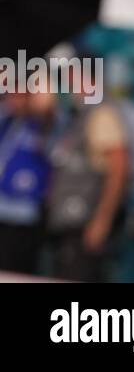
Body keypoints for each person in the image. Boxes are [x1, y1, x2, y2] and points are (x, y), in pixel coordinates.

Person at [44, 63, 131, 282]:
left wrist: (103, 219)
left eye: (74, 77)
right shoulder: (78, 115)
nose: (70, 85)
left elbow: (119, 169)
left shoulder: (101, 113)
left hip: (86, 222)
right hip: (71, 220)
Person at [0, 89, 56, 275]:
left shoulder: (42, 124)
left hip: (26, 214)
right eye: (11, 95)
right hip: (3, 209)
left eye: (20, 95)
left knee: (18, 270)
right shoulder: (7, 123)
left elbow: (48, 108)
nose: (14, 100)